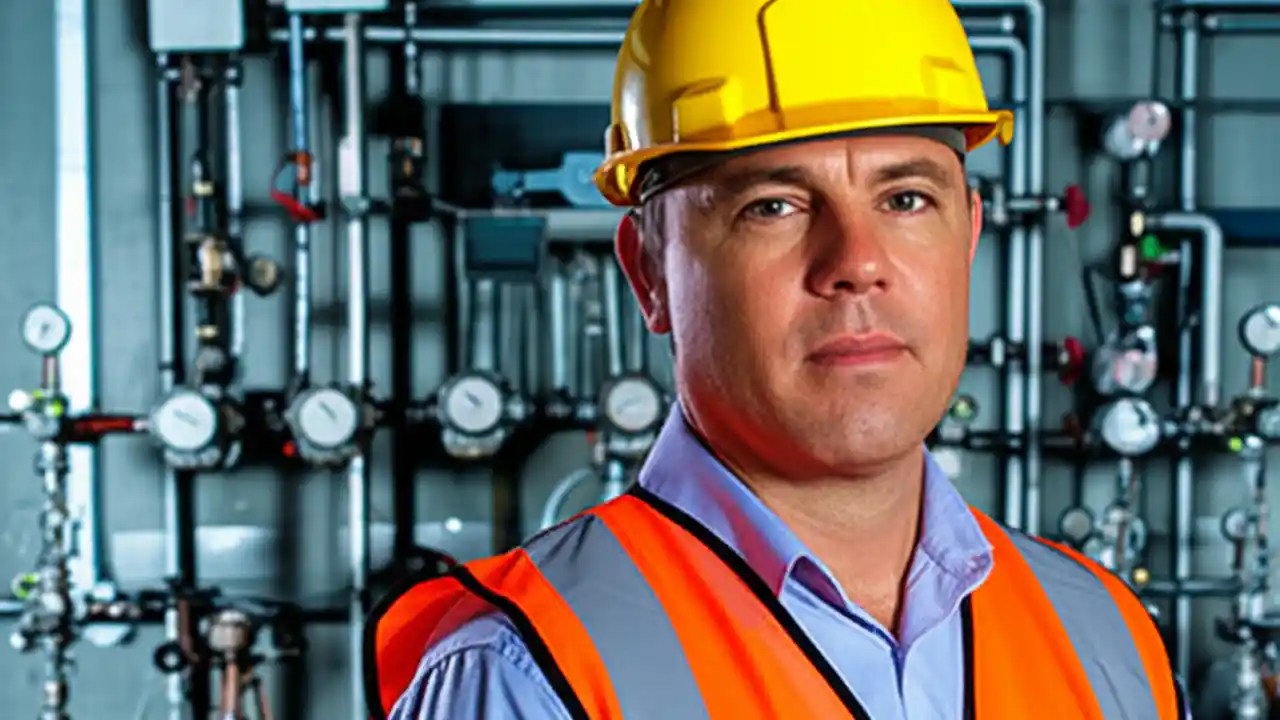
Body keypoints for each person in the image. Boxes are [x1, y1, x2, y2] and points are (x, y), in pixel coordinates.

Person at [366, 0, 1187, 717]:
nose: (857, 260)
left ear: (967, 239)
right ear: (649, 271)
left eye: (906, 199)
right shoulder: (529, 676)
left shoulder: (1107, 639)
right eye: (774, 205)